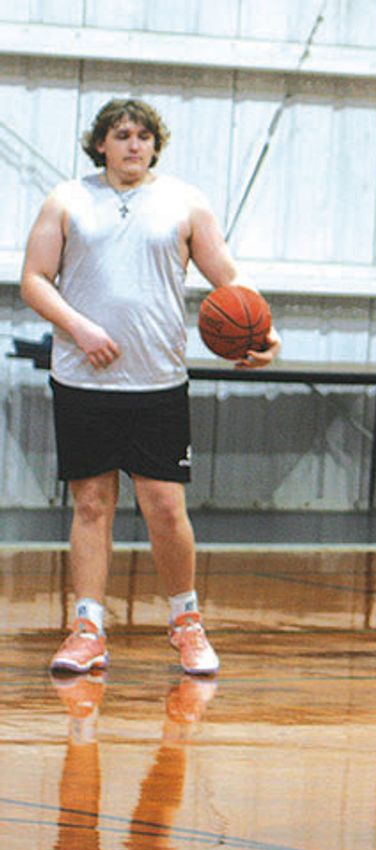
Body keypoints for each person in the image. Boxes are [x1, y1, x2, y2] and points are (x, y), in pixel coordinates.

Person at [20, 97, 280, 676]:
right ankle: (87, 628)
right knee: (91, 505)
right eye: (121, 135)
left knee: (164, 506)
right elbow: (34, 280)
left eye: (142, 135)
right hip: (83, 377)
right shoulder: (67, 199)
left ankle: (186, 622)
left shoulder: (185, 202)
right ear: (101, 145)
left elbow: (230, 281)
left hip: (157, 379)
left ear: (155, 144)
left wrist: (265, 329)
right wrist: (80, 328)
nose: (132, 144)